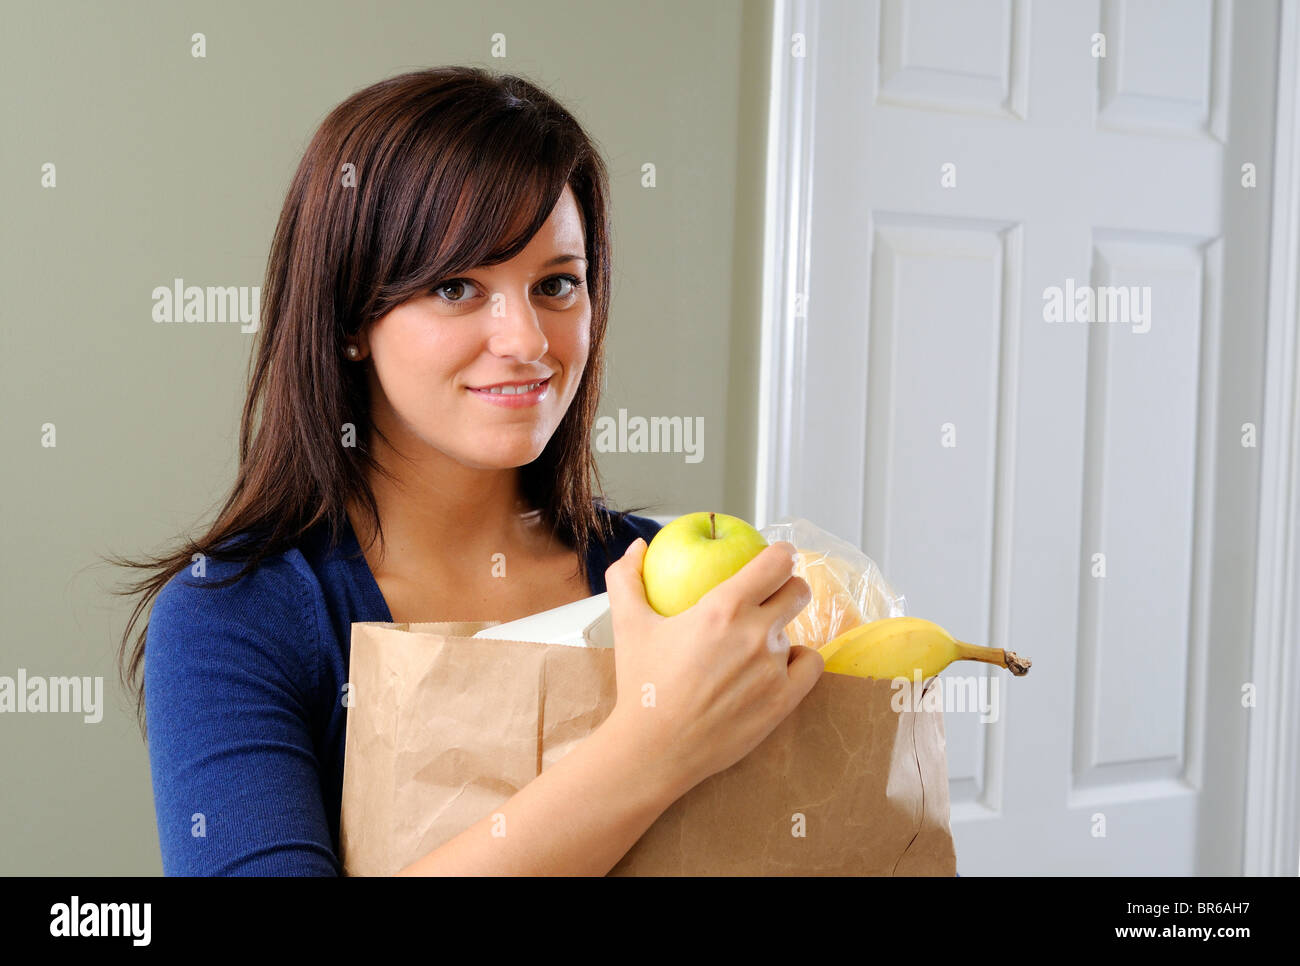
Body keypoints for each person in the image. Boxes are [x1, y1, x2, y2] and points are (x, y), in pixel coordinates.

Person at [109, 66, 822, 876]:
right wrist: (651, 749)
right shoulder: (234, 618)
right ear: (350, 319)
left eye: (557, 283)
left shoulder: (664, 584)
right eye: (457, 287)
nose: (525, 339)